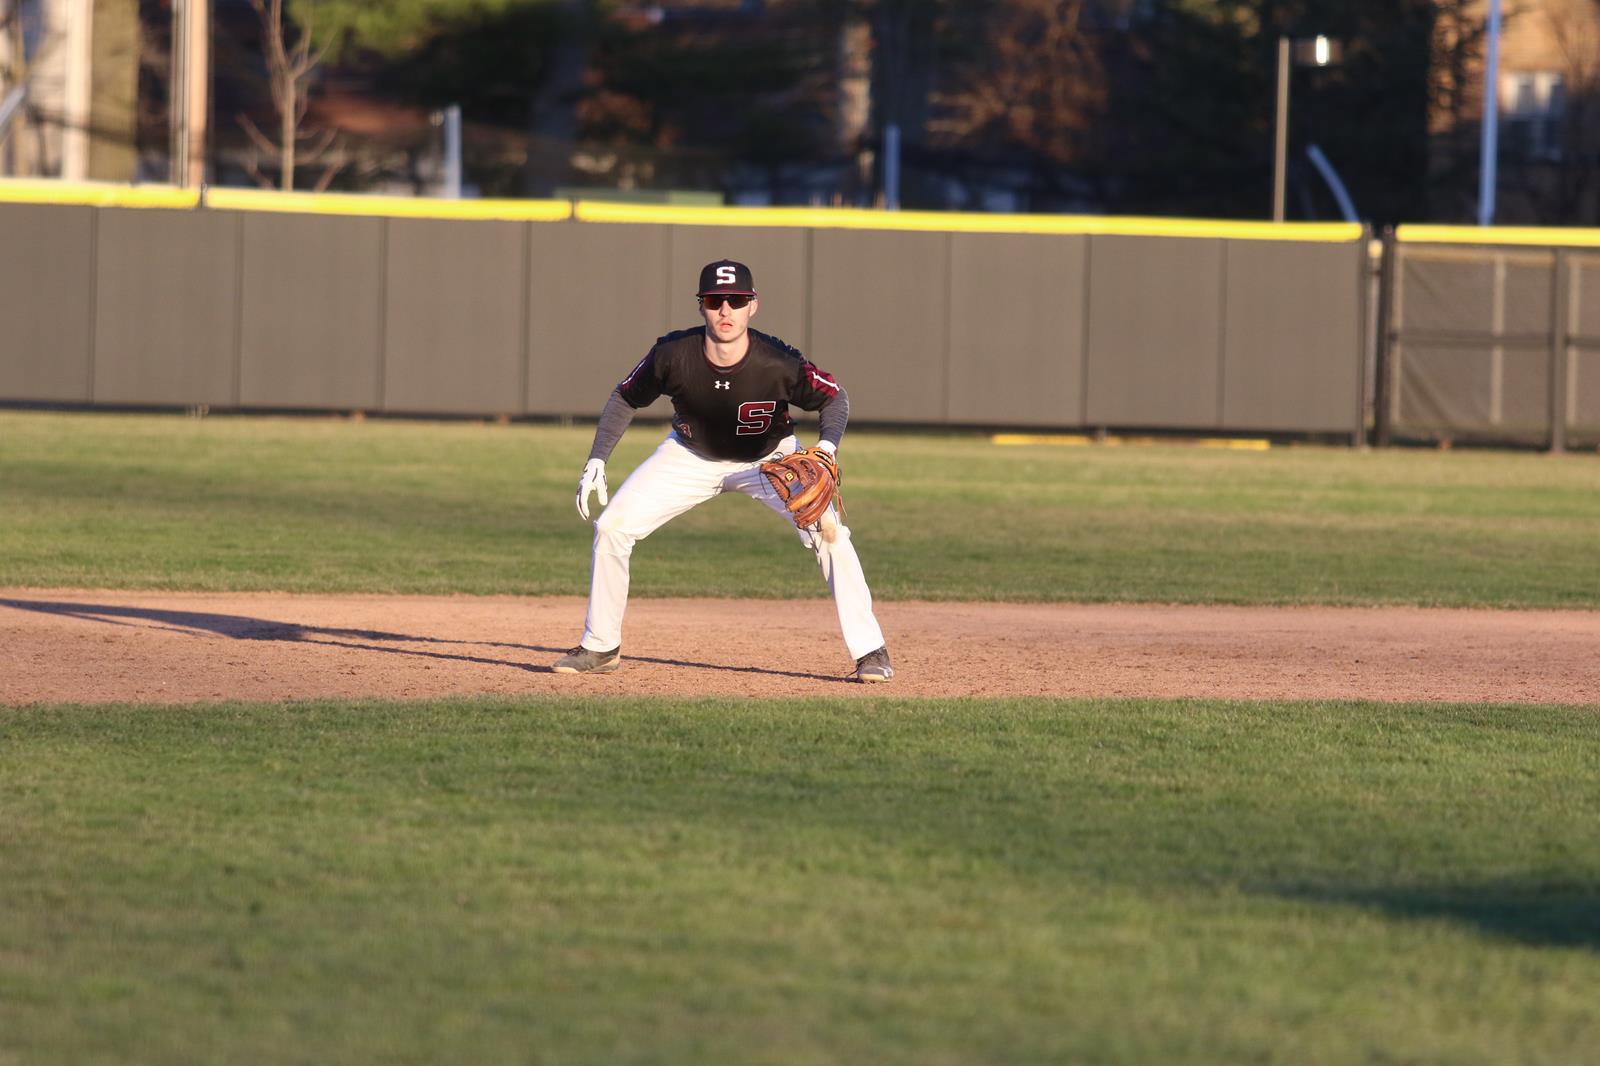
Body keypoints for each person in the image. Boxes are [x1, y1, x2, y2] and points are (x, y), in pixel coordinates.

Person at [552, 258, 894, 683]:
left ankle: (871, 652)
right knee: (612, 528)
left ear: (753, 306)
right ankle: (601, 647)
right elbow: (625, 398)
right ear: (701, 306)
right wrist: (598, 458)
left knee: (831, 534)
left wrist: (825, 449)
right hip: (690, 456)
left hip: (769, 461)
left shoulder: (777, 361)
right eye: (716, 300)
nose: (726, 310)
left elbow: (835, 398)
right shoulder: (673, 354)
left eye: (737, 300)